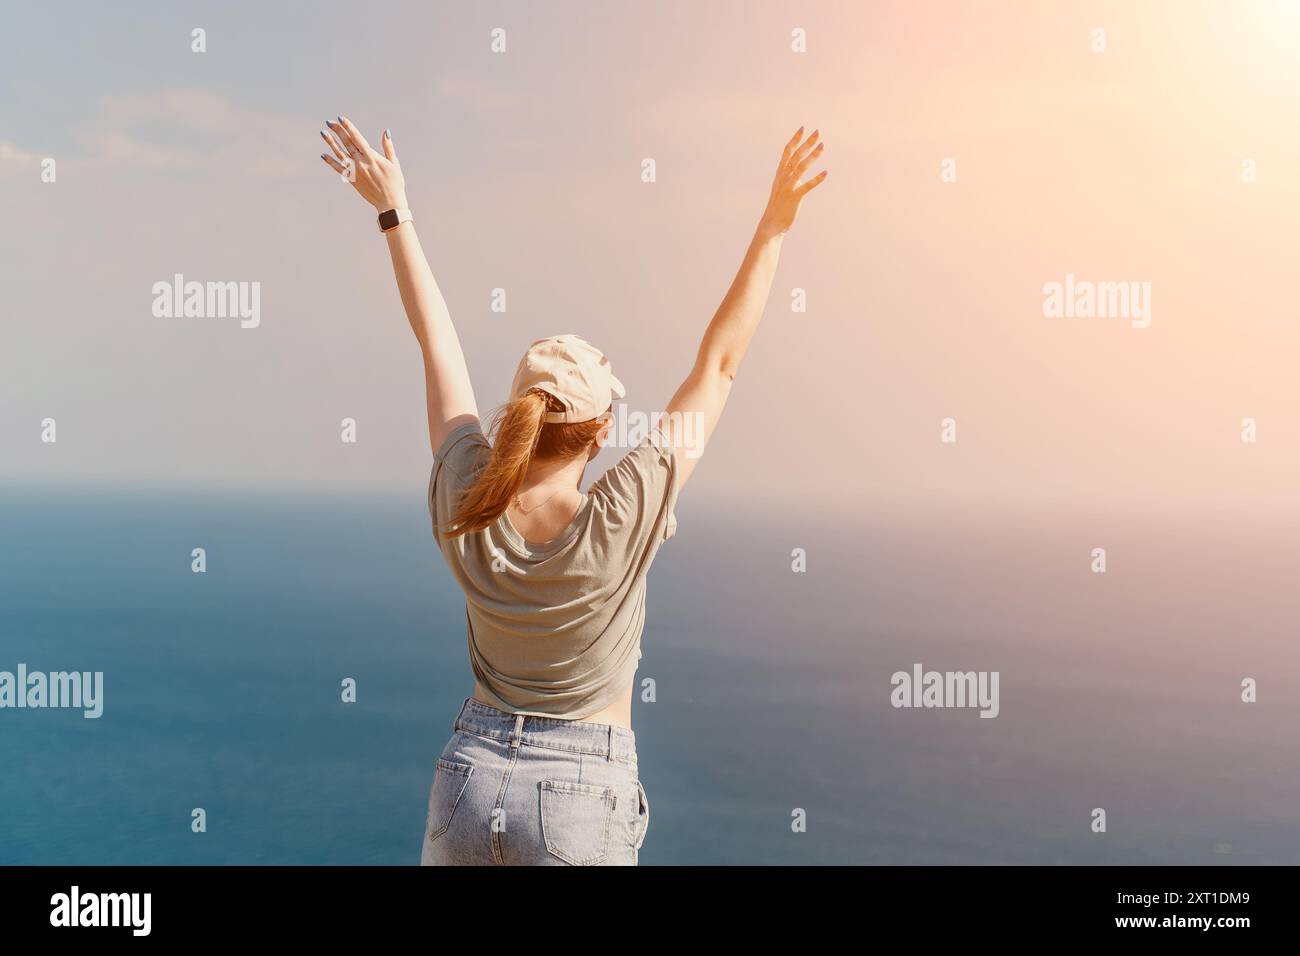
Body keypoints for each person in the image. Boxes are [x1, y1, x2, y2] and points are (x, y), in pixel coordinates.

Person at [319, 117, 827, 864]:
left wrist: (394, 210)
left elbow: (437, 344)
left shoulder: (468, 496)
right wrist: (775, 223)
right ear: (601, 432)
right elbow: (718, 366)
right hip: (580, 792)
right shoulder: (624, 512)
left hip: (467, 782)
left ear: (517, 413)